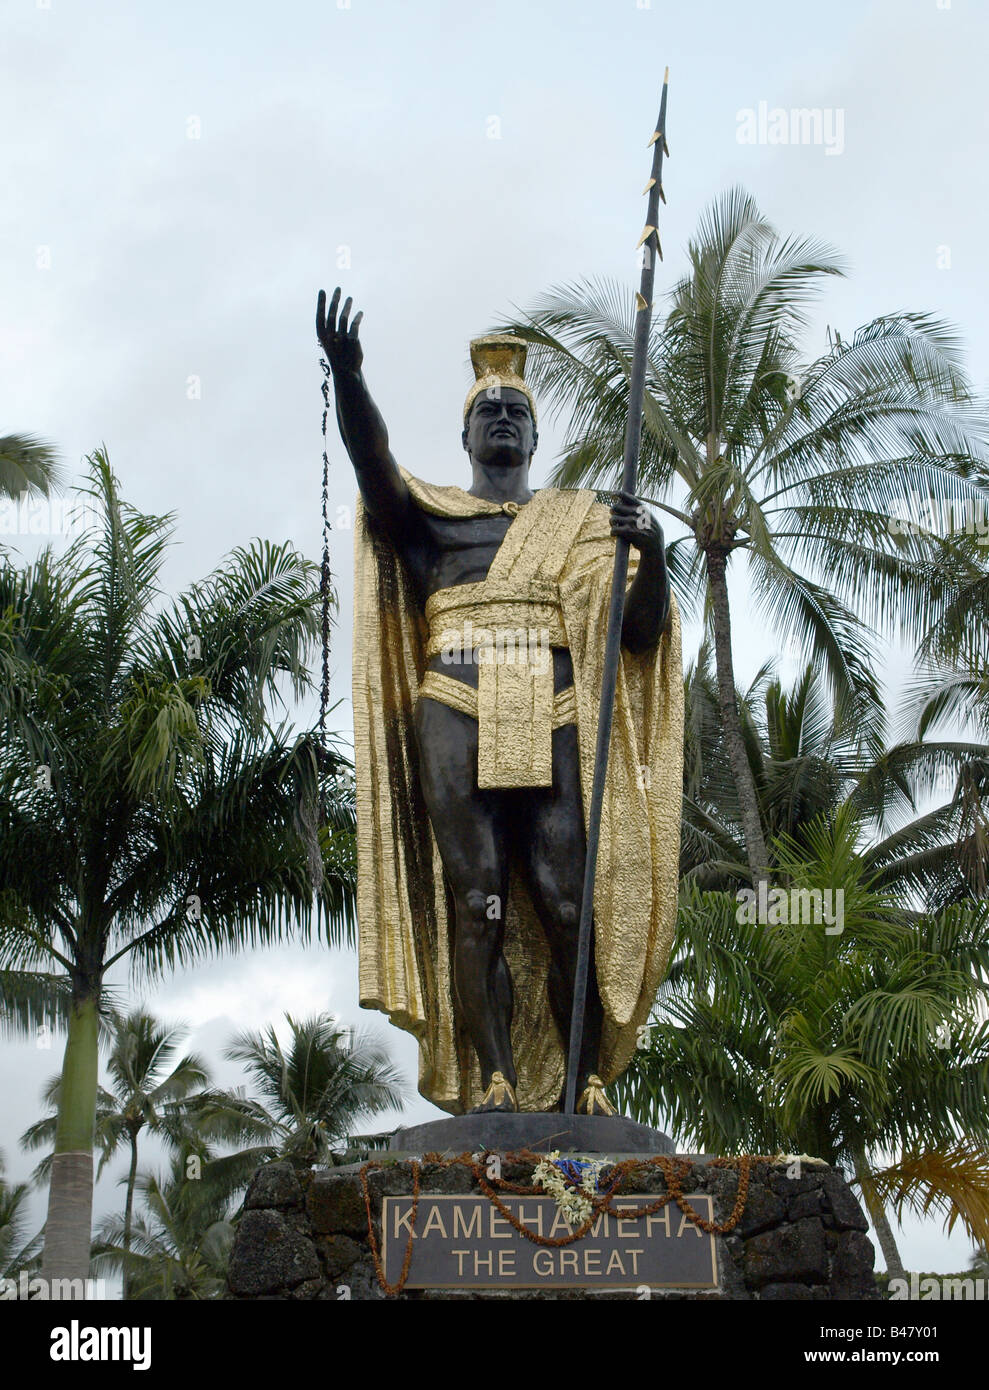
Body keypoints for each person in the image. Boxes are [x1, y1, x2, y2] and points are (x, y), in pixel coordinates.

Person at [318, 287, 683, 1114]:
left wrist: (651, 553)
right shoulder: (432, 520)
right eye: (491, 411)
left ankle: (585, 1081)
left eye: (518, 410)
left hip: (554, 708)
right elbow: (372, 459)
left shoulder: (585, 522)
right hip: (456, 698)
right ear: (466, 434)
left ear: (534, 433)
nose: (505, 420)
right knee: (474, 895)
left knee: (564, 900)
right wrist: (348, 375)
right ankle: (493, 1076)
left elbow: (638, 634)